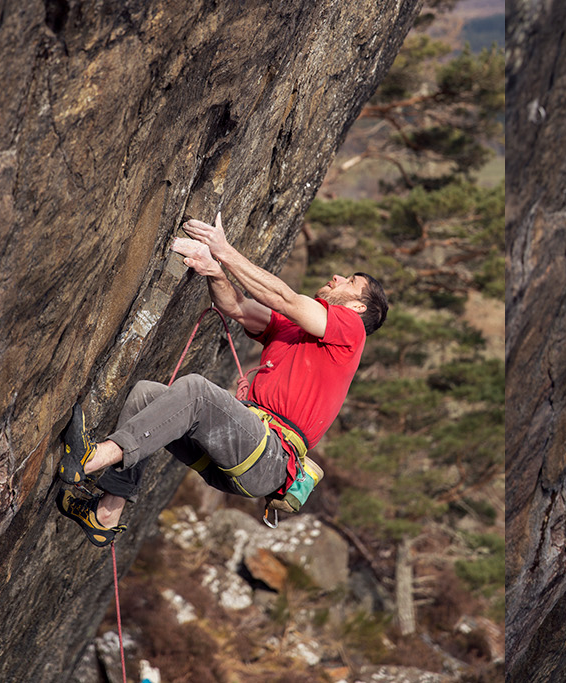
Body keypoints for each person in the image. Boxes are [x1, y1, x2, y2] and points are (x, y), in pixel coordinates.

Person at [56, 214, 389, 545]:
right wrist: (214, 270)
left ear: (358, 307)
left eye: (349, 281)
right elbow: (239, 307)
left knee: (197, 392)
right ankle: (106, 514)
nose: (336, 276)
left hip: (269, 457)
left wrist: (224, 251)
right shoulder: (297, 330)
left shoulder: (351, 331)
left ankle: (92, 459)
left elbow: (286, 299)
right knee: (147, 395)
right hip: (241, 455)